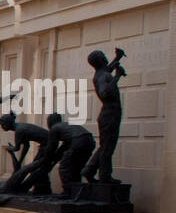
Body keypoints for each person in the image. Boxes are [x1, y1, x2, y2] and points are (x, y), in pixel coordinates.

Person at [83, 48, 127, 184]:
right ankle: (105, 176)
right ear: (101, 59)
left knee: (105, 146)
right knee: (108, 147)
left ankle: (89, 170)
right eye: (104, 55)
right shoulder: (103, 76)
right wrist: (117, 76)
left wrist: (117, 58)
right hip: (110, 114)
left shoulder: (101, 73)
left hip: (109, 114)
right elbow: (104, 93)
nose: (106, 57)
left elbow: (108, 70)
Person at [44, 113, 96, 197]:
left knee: (64, 168)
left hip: (78, 141)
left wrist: (46, 160)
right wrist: (54, 160)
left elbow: (51, 147)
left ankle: (68, 191)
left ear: (50, 122)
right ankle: (76, 191)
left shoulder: (55, 128)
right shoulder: (67, 126)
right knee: (76, 168)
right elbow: (63, 148)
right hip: (89, 141)